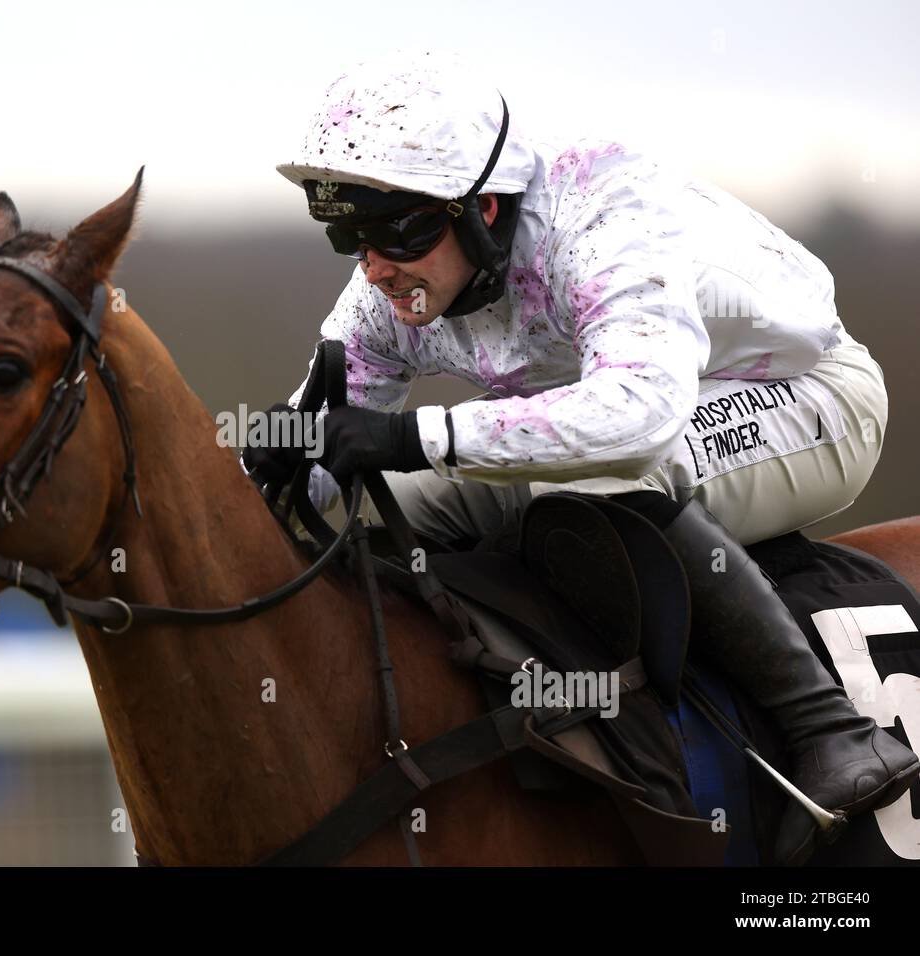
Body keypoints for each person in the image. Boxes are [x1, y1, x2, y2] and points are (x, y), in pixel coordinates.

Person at [241, 52, 918, 864]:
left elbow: (638, 415)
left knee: (597, 478)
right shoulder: (393, 287)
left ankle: (832, 734)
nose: (373, 265)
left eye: (394, 233)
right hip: (627, 413)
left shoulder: (600, 211)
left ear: (482, 209)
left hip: (807, 397)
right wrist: (283, 468)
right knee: (387, 506)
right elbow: (336, 452)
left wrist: (414, 435)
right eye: (347, 234)